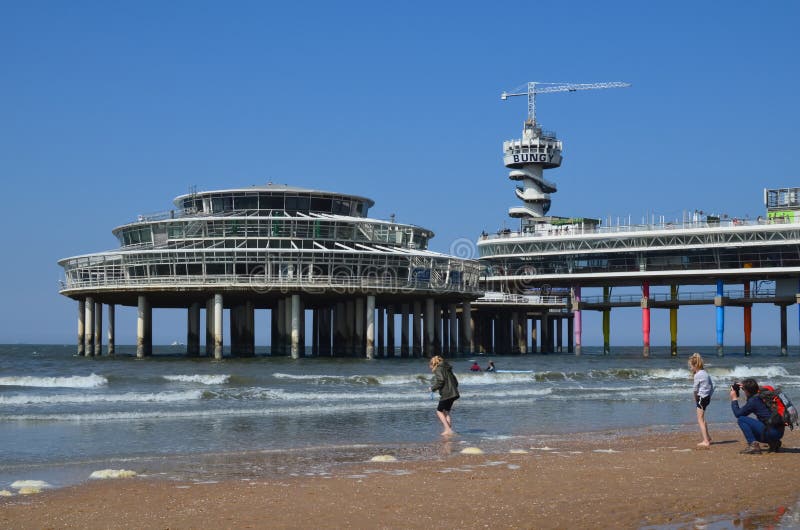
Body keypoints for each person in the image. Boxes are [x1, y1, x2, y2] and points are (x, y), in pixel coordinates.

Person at [730, 377, 785, 454]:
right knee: (763, 420)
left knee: (742, 419)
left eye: (744, 390)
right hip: (779, 432)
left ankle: (753, 446)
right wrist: (746, 387)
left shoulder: (753, 401)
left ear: (747, 391)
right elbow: (752, 393)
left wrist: (734, 399)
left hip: (772, 432)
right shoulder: (763, 395)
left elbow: (738, 414)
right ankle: (774, 443)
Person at [429, 355, 459, 436]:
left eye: (430, 365)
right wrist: (453, 389)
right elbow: (456, 382)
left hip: (447, 394)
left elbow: (441, 380)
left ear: (433, 364)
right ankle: (448, 430)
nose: (430, 367)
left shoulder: (438, 369)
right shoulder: (448, 369)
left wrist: (432, 388)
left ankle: (448, 430)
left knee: (439, 411)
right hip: (454, 393)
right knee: (446, 412)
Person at [688, 352, 713, 447]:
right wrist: (709, 395)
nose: (691, 368)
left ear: (695, 365)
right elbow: (711, 385)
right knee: (702, 418)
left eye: (691, 366)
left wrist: (696, 399)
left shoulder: (697, 375)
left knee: (700, 419)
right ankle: (708, 437)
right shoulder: (705, 373)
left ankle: (706, 441)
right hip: (707, 397)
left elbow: (695, 389)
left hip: (701, 398)